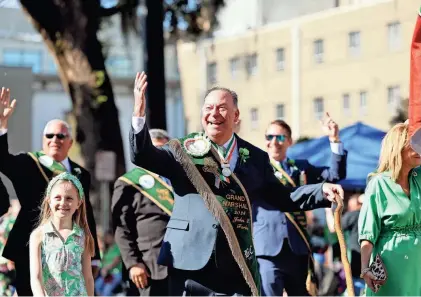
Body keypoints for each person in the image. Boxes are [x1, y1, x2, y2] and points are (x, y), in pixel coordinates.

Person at [129, 72, 344, 296]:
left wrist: (321, 191)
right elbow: (143, 156)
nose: (214, 114)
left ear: (236, 114)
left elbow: (281, 196)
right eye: (208, 108)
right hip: (188, 260)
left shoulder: (256, 157)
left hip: (236, 262)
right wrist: (138, 115)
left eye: (221, 108)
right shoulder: (182, 149)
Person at [0, 87, 101, 295]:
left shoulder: (81, 173)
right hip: (31, 241)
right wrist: (2, 126)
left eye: (61, 136)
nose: (55, 140)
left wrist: (95, 254)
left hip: (70, 246)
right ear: (43, 139)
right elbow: (2, 161)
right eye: (50, 135)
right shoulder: (29, 163)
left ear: (70, 142)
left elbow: (86, 212)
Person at [256, 117, 347, 296]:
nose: (274, 142)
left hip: (297, 247)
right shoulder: (257, 167)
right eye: (270, 136)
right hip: (266, 247)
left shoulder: (300, 168)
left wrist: (334, 140)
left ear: (289, 141)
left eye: (280, 137)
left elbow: (334, 176)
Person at [359, 122, 421, 295]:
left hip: (418, 265)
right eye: (413, 143)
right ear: (397, 147)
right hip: (391, 264)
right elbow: (368, 234)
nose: (419, 147)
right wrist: (365, 269)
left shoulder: (419, 177)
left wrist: (415, 121)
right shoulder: (378, 184)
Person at [112, 128, 172, 296]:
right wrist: (133, 263)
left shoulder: (179, 181)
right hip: (148, 269)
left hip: (181, 267)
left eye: (164, 151)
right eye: (155, 150)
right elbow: (121, 229)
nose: (159, 156)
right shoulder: (129, 184)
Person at [29, 172, 95, 296]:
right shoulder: (38, 235)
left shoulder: (83, 236)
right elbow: (36, 278)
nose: (63, 203)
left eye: (69, 198)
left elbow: (88, 278)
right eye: (57, 198)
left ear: (79, 203)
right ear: (48, 200)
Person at [95, 231, 123, 296]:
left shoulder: (117, 247)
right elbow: (103, 261)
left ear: (113, 237)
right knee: (97, 285)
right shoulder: (107, 249)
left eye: (108, 237)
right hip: (105, 274)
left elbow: (116, 261)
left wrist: (106, 268)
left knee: (107, 290)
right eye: (106, 237)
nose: (107, 239)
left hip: (115, 273)